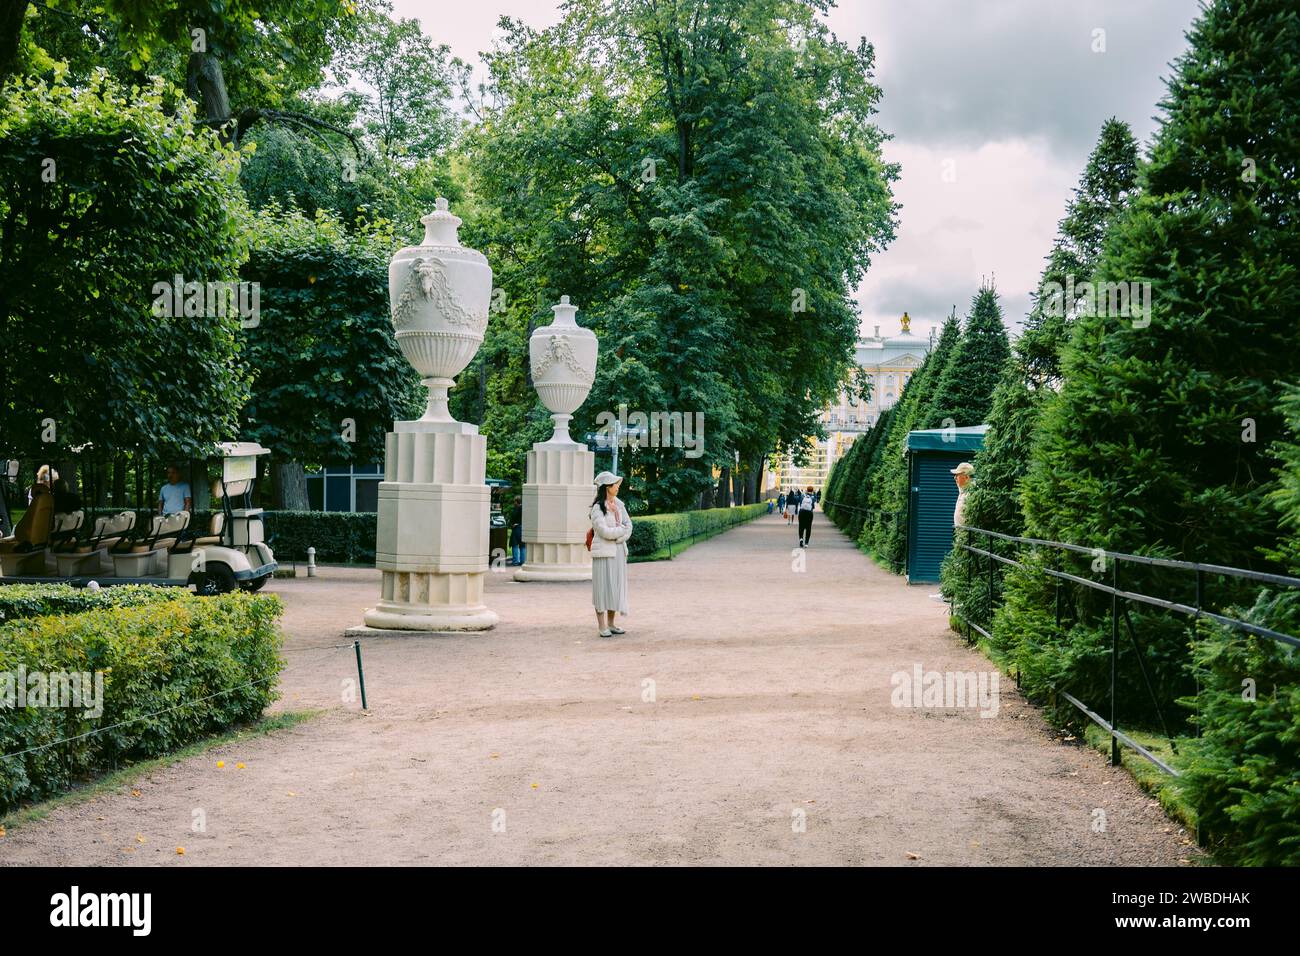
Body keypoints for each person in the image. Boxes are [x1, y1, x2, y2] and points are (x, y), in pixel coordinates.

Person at [590, 471, 632, 639]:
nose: (617, 487)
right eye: (615, 484)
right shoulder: (597, 508)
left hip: (619, 551)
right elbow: (603, 531)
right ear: (607, 487)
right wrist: (620, 531)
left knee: (615, 587)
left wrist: (620, 536)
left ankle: (612, 623)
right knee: (602, 588)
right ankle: (602, 626)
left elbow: (628, 525)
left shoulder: (619, 505)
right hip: (603, 553)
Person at [950, 462, 974, 527]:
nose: (954, 478)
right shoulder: (963, 491)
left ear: (966, 477)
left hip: (968, 535)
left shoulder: (972, 493)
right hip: (961, 534)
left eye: (957, 475)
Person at [509, 496, 525, 566]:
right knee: (523, 545)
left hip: (517, 527)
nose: (514, 503)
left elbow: (513, 517)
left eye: (514, 501)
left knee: (515, 544)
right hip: (523, 528)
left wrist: (513, 524)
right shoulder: (524, 508)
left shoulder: (517, 509)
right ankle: (523, 561)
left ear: (516, 502)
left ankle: (515, 561)